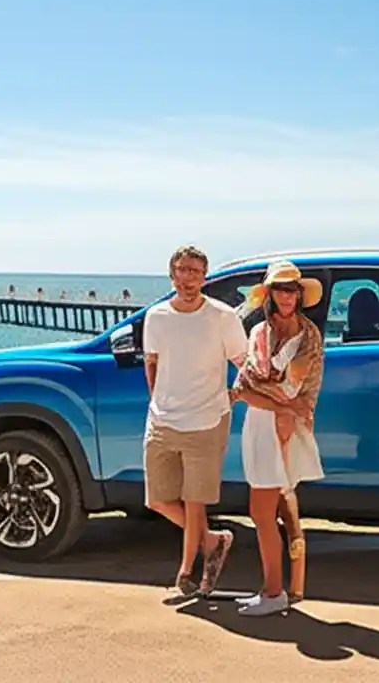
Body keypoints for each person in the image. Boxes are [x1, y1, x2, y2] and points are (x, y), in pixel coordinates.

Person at [143, 244, 249, 597]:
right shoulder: (157, 317)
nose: (188, 278)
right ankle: (213, 540)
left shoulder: (222, 317)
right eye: (183, 270)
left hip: (207, 419)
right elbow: (152, 361)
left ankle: (187, 574)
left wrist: (234, 394)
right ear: (172, 274)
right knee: (157, 499)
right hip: (162, 420)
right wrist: (159, 399)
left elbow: (243, 362)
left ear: (205, 278)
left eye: (196, 272)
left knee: (194, 500)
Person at [230, 259, 325, 616]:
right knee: (263, 510)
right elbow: (245, 386)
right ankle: (272, 590)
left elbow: (290, 386)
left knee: (263, 510)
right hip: (262, 424)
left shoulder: (309, 335)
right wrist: (283, 405)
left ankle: (273, 593)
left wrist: (279, 402)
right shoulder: (259, 332)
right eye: (280, 289)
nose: (287, 295)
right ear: (270, 294)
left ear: (299, 294)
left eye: (292, 289)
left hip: (282, 428)